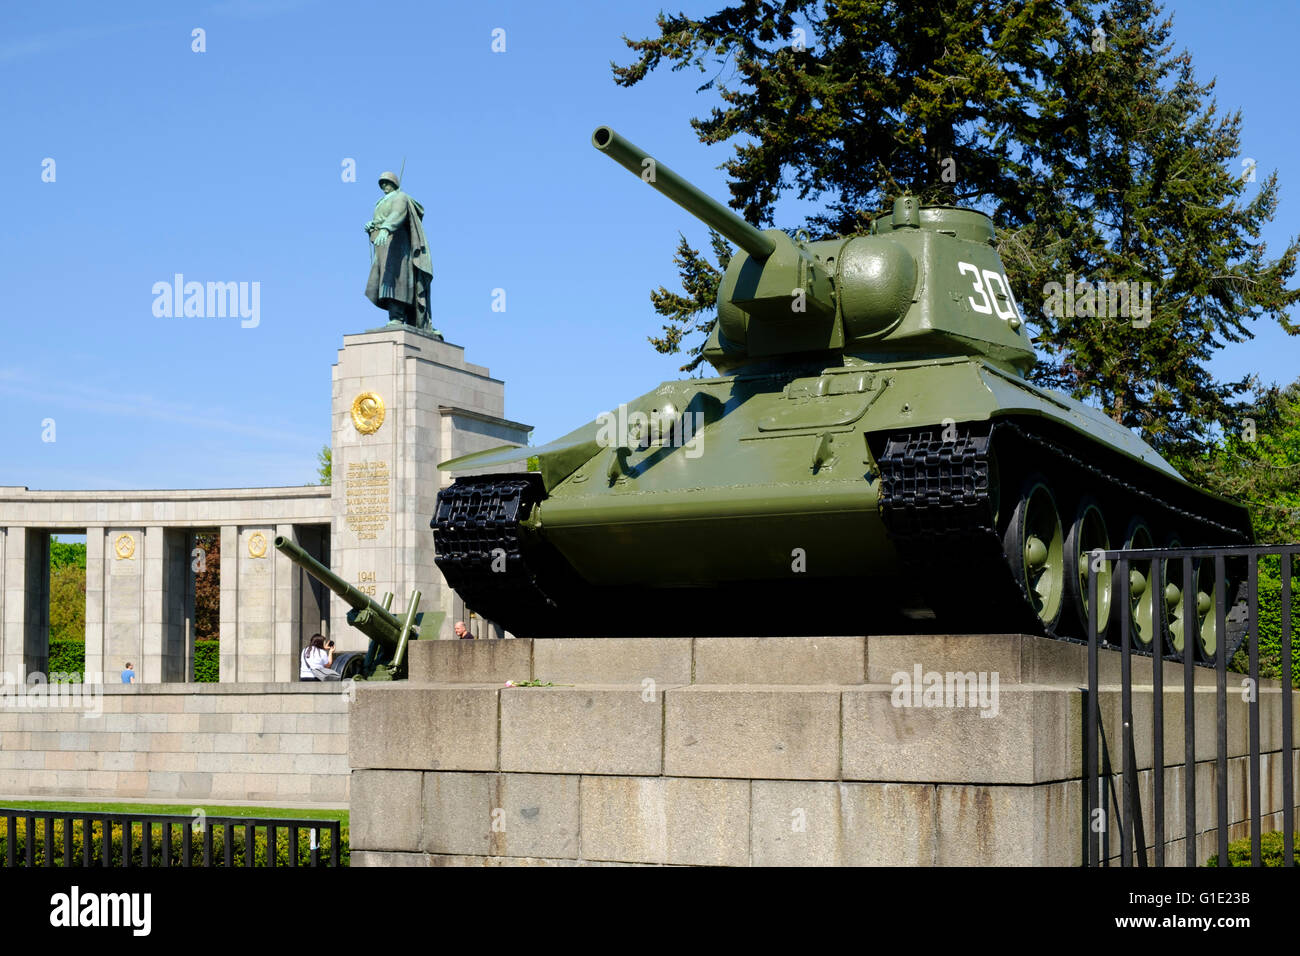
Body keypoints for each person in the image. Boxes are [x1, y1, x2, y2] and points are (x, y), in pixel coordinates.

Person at [364, 170, 439, 336]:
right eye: (382, 183)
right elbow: (380, 220)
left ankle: (397, 316)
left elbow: (397, 214)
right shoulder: (380, 202)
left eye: (387, 182)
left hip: (398, 247)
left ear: (395, 183)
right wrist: (373, 227)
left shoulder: (401, 197)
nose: (384, 185)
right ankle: (395, 316)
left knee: (397, 280)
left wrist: (385, 228)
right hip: (383, 248)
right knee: (385, 281)